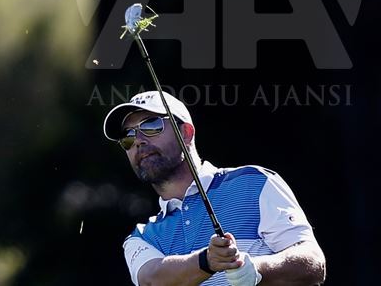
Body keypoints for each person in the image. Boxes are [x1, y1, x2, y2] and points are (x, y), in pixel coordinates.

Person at [103, 91, 327, 285]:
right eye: (127, 136)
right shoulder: (143, 237)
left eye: (151, 126)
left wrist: (257, 270)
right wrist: (207, 261)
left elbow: (313, 263)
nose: (138, 140)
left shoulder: (254, 183)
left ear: (186, 133)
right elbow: (152, 280)